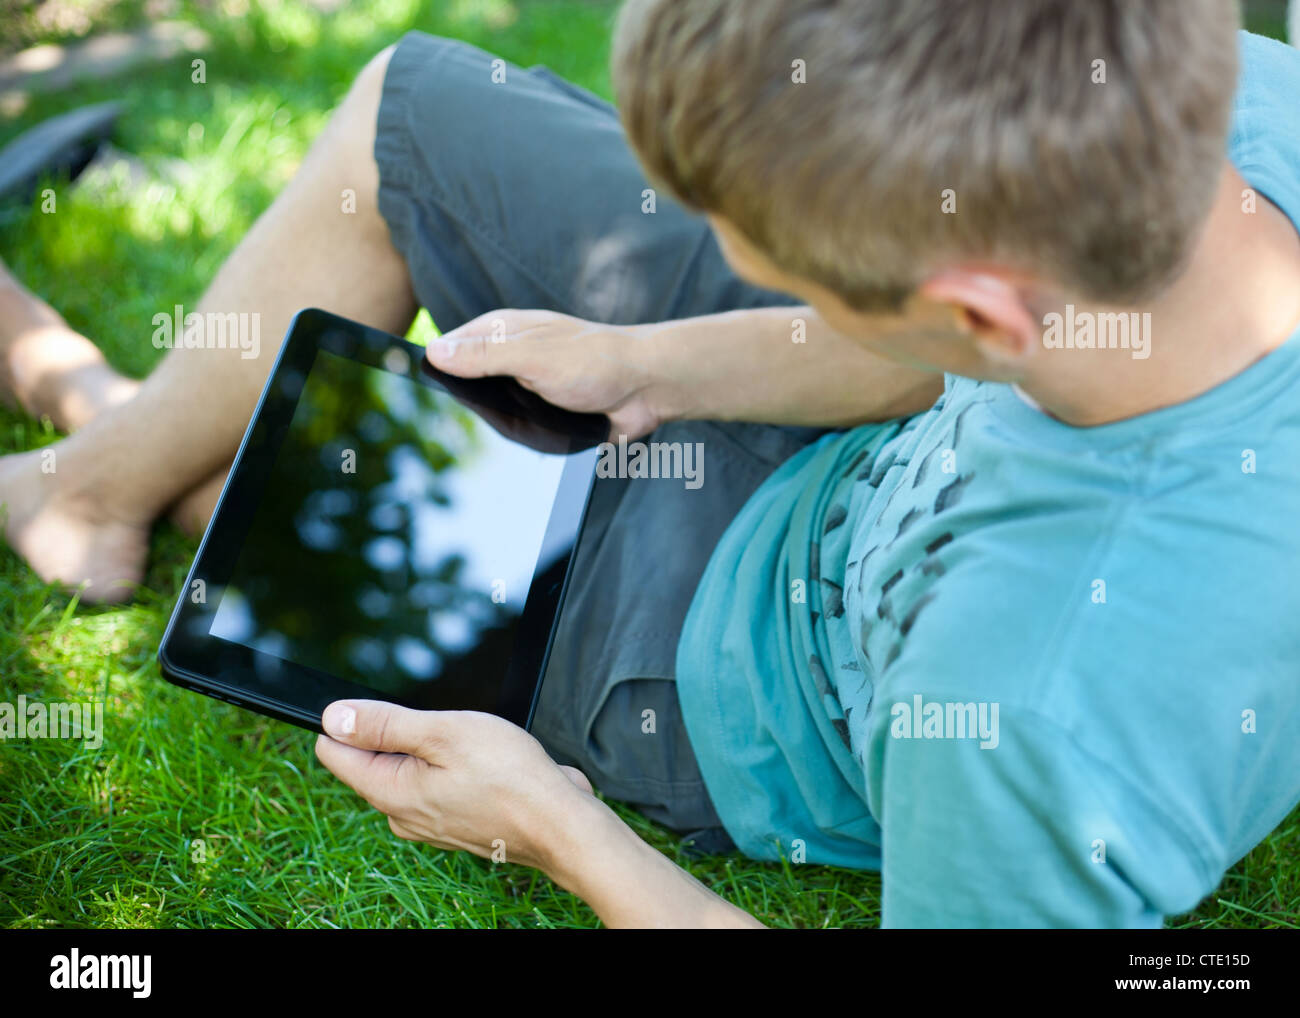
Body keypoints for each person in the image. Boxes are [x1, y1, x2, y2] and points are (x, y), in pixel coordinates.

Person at [4, 0, 1299, 927]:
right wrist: (646, 362)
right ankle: (106, 469)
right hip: (857, 439)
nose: (753, 269)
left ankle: (98, 445)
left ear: (977, 308)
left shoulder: (1036, 715)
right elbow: (945, 351)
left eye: (795, 274)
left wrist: (554, 827)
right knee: (415, 112)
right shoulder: (1206, 93)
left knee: (278, 513)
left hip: (718, 666)